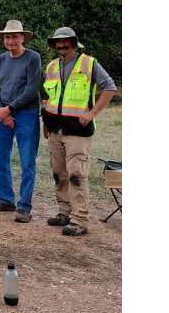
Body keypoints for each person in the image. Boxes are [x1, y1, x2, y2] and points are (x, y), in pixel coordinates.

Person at [42, 27, 117, 236]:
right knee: (59, 174)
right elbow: (47, 97)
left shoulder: (89, 63)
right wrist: (46, 124)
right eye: (57, 42)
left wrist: (92, 113)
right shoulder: (51, 66)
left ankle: (80, 220)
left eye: (65, 41)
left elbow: (110, 87)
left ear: (74, 43)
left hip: (78, 131)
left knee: (76, 174)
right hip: (54, 129)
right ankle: (64, 213)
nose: (61, 45)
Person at [0, 20, 42, 223]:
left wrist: (10, 109)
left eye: (15, 36)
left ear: (22, 38)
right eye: (7, 37)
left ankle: (24, 206)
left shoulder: (33, 58)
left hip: (26, 113)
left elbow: (32, 89)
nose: (11, 40)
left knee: (27, 160)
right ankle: (5, 199)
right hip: (2, 114)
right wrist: (2, 111)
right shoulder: (1, 60)